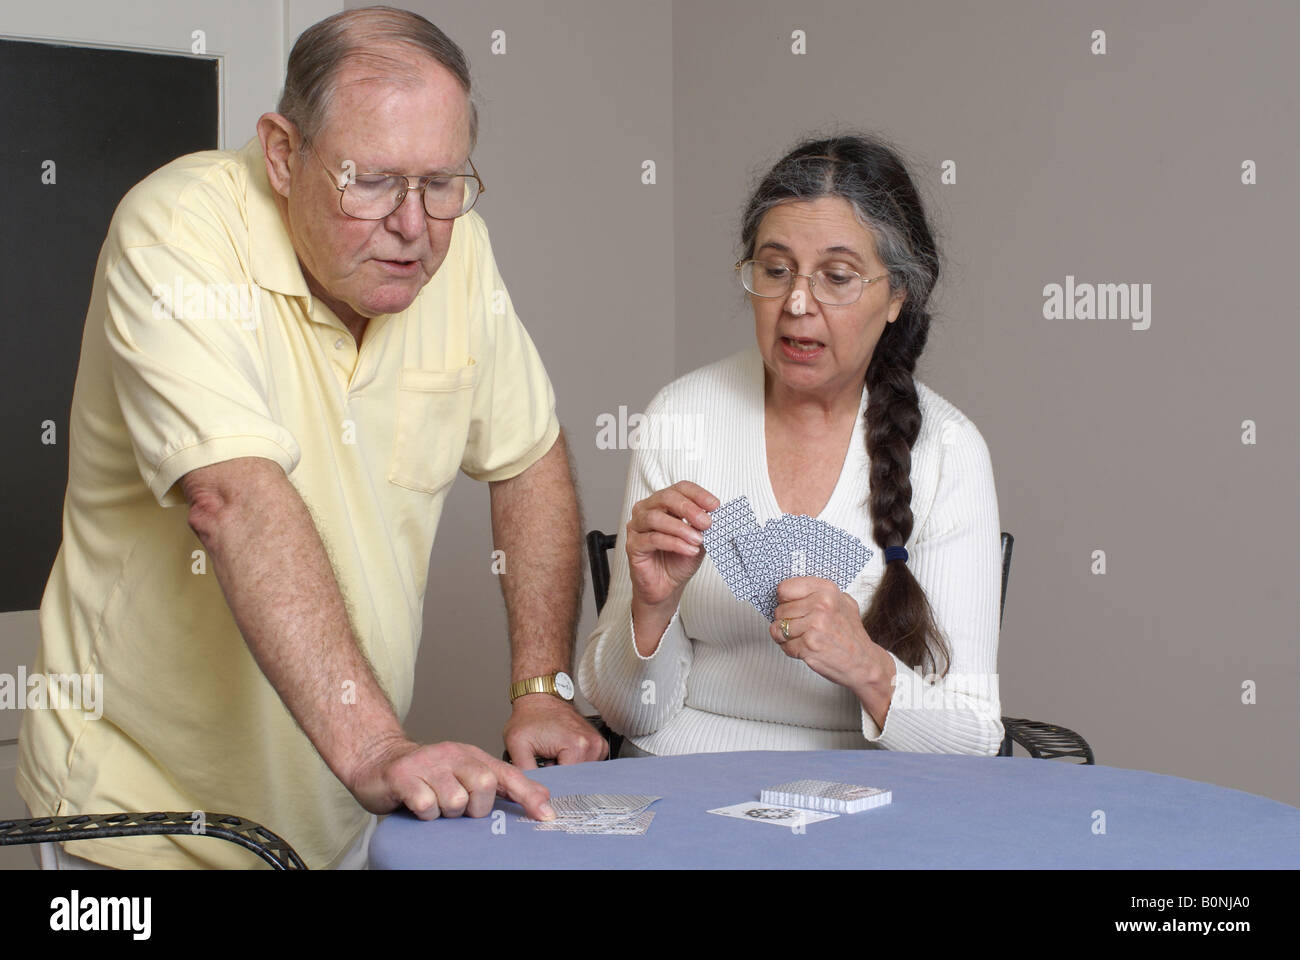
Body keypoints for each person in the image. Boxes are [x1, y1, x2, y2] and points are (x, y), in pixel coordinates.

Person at [17, 6, 606, 871]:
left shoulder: (456, 250)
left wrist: (542, 687)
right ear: (285, 155)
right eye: (371, 182)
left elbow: (527, 454)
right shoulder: (177, 233)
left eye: (442, 182)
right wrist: (377, 749)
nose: (414, 226)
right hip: (140, 822)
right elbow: (233, 497)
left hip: (334, 814)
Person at [579, 134, 1004, 757]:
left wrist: (868, 666)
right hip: (682, 799)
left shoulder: (950, 451)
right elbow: (625, 715)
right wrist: (650, 608)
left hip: (863, 808)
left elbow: (973, 738)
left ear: (897, 295)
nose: (798, 304)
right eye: (775, 272)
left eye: (836, 277)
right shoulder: (682, 415)